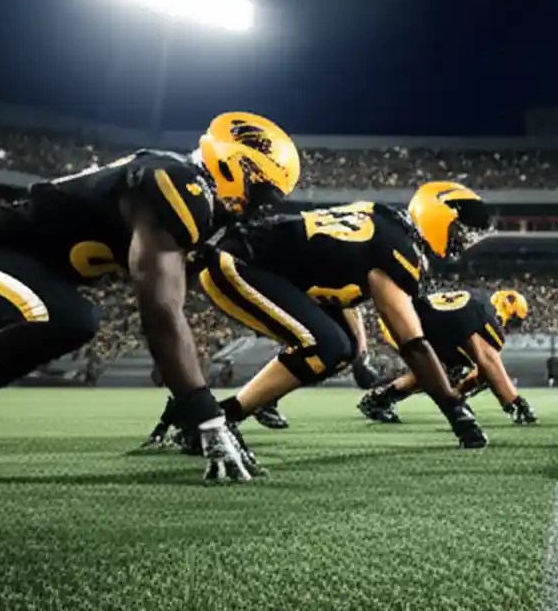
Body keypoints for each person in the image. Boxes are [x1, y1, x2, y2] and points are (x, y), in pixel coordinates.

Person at [0, 112, 299, 488]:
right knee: (67, 318)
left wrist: (188, 402)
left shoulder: (191, 202)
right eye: (262, 193)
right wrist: (205, 414)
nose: (260, 207)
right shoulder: (177, 184)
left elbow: (172, 312)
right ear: (234, 166)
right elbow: (160, 313)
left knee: (24, 342)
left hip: (18, 266)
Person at [149, 181, 494, 451]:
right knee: (326, 346)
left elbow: (339, 287)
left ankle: (217, 416)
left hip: (257, 262)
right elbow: (413, 343)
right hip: (240, 262)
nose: (461, 243)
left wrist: (359, 353)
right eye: (460, 231)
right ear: (438, 213)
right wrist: (454, 409)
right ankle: (211, 417)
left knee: (338, 349)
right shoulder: (399, 249)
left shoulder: (383, 222)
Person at [358, 289, 536, 425]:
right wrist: (515, 401)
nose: (510, 327)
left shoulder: (476, 301)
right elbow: (488, 364)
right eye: (514, 321)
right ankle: (383, 398)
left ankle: (379, 399)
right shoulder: (485, 314)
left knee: (439, 370)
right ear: (507, 309)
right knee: (453, 372)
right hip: (411, 324)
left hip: (406, 318)